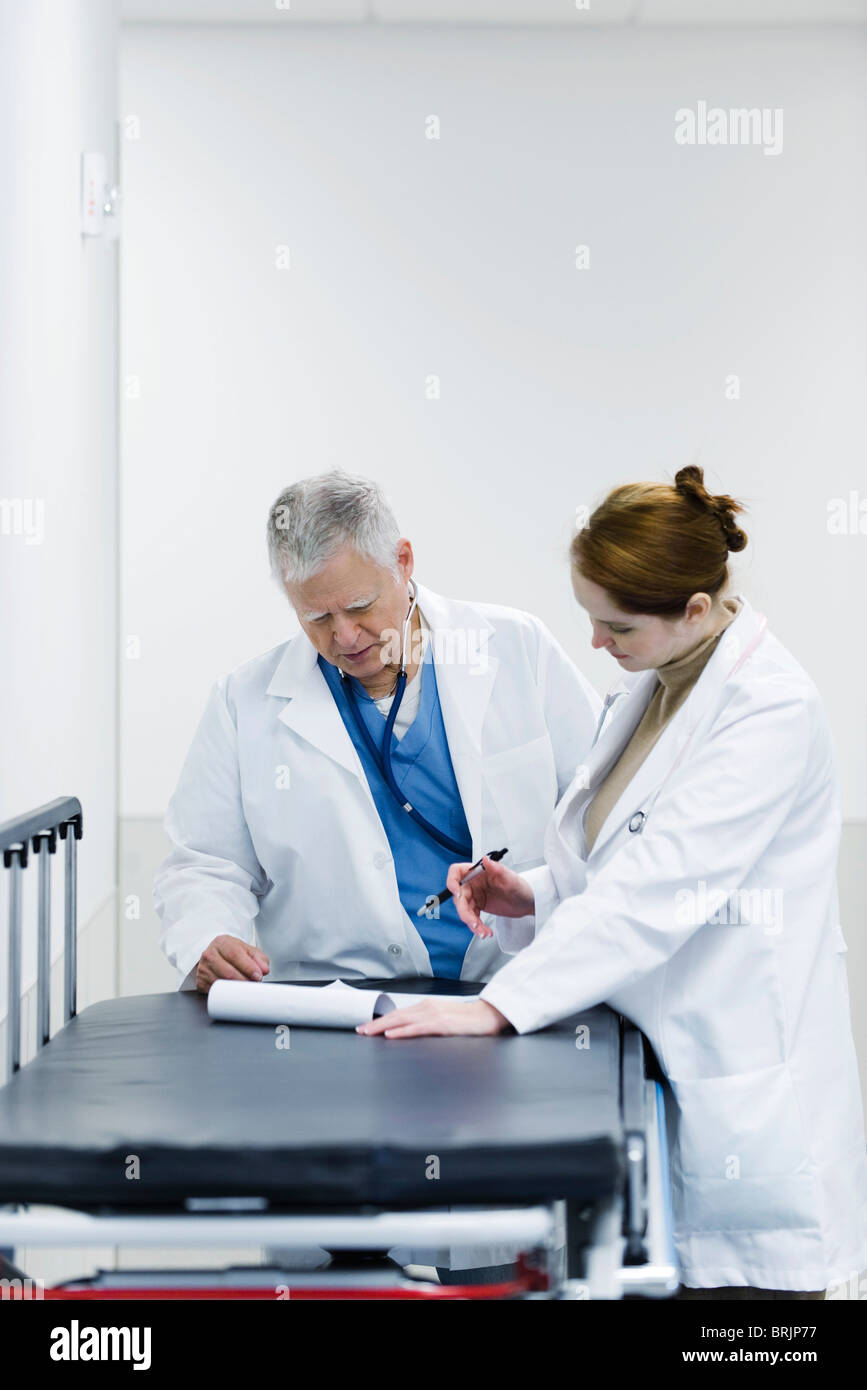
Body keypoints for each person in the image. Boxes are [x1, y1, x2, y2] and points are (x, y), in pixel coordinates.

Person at [359, 465, 867, 1300]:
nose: (596, 645)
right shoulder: (658, 683)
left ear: (694, 612)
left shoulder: (767, 709)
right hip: (651, 1059)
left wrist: (496, 1005)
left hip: (737, 1069)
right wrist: (533, 893)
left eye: (615, 627)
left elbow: (660, 892)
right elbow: (620, 860)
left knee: (755, 1338)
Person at [153, 470, 601, 993]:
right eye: (315, 616)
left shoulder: (517, 649)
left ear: (403, 562)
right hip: (333, 1006)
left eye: (360, 607)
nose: (343, 636)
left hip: (512, 987)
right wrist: (208, 935)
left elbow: (600, 813)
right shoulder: (243, 702)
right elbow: (205, 863)